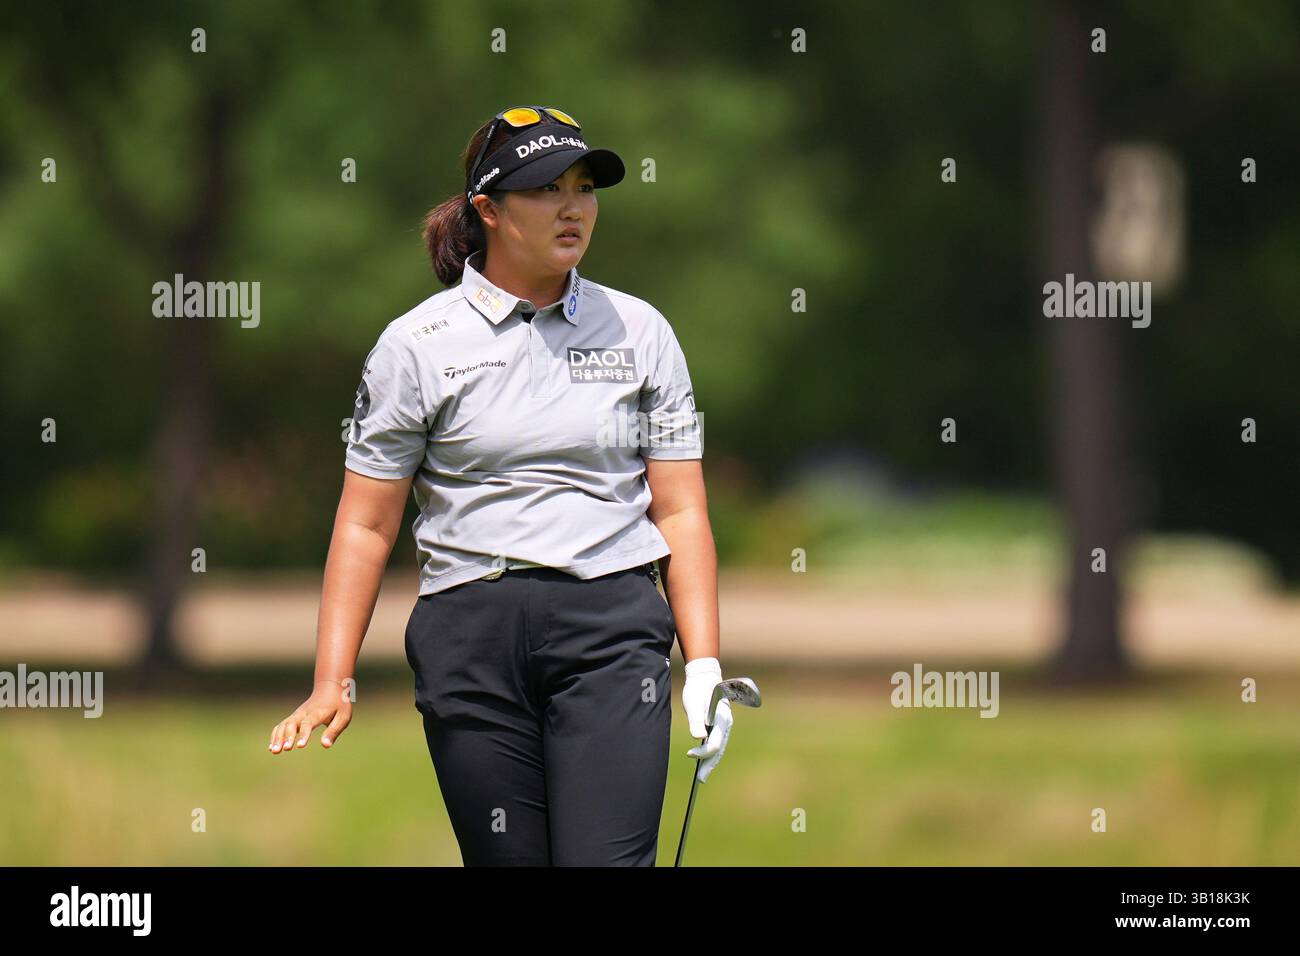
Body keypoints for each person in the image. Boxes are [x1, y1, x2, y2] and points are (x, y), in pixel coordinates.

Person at [267, 106, 735, 865]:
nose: (573, 208)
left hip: (611, 630)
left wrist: (705, 663)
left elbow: (680, 511)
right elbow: (366, 525)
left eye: (584, 188)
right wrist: (333, 678)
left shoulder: (641, 331)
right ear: (488, 209)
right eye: (547, 188)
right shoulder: (416, 346)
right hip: (470, 638)